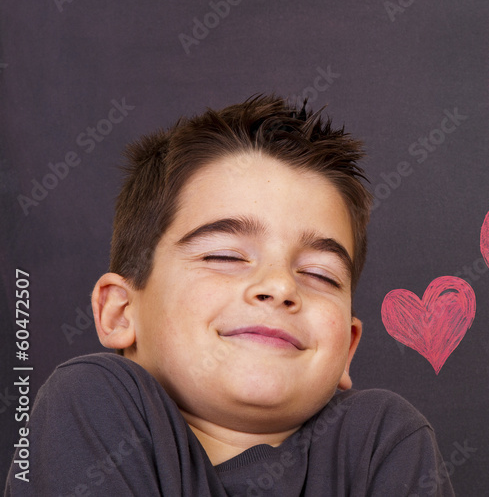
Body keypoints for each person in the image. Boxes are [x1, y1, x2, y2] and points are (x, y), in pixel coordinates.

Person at [5, 94, 455, 496]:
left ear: (348, 349)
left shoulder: (382, 439)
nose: (280, 287)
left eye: (319, 273)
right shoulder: (90, 399)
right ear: (121, 312)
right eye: (225, 256)